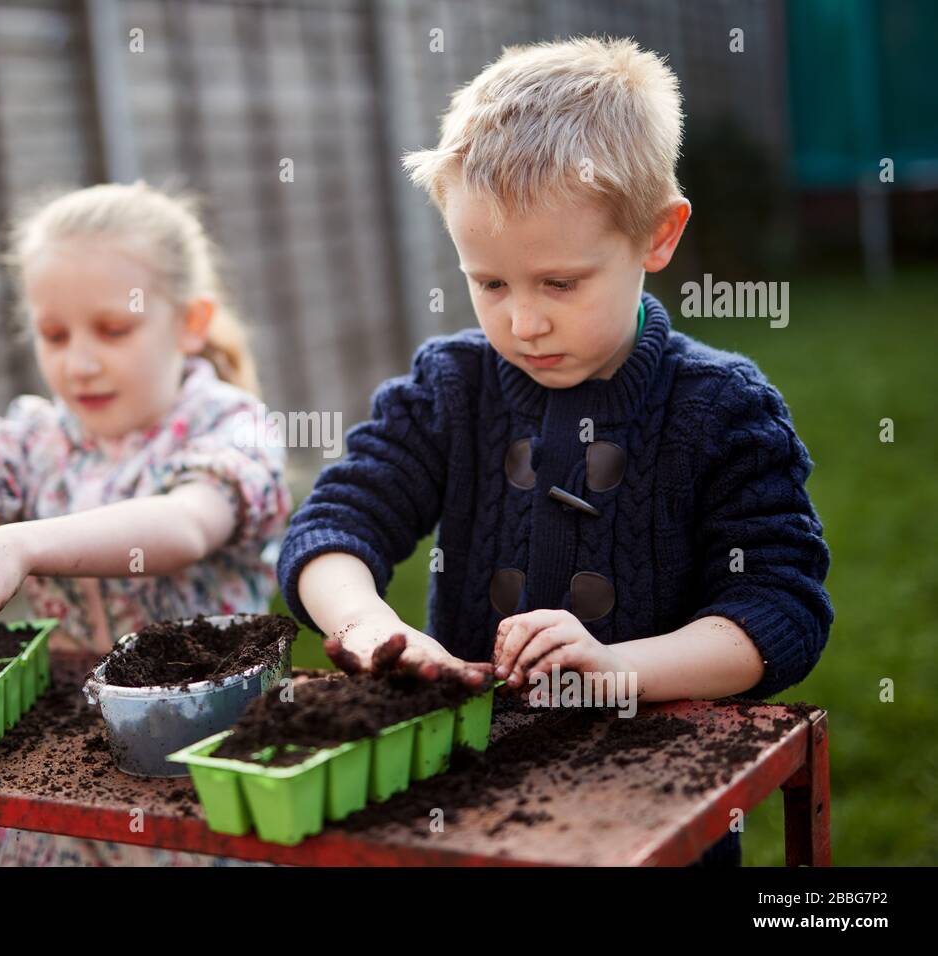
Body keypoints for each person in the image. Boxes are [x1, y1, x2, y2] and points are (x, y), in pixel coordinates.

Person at [275, 37, 833, 867]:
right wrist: (368, 628)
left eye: (560, 284)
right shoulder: (453, 386)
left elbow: (780, 610)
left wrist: (616, 668)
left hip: (656, 809)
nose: (523, 323)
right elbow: (332, 524)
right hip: (463, 804)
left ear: (658, 236)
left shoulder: (723, 410)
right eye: (491, 283)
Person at [0, 181, 291, 865]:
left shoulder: (230, 427)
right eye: (53, 334)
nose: (79, 362)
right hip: (58, 778)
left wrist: (21, 543)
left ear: (190, 322)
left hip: (201, 767)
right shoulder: (30, 440)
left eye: (113, 329)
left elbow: (187, 525)